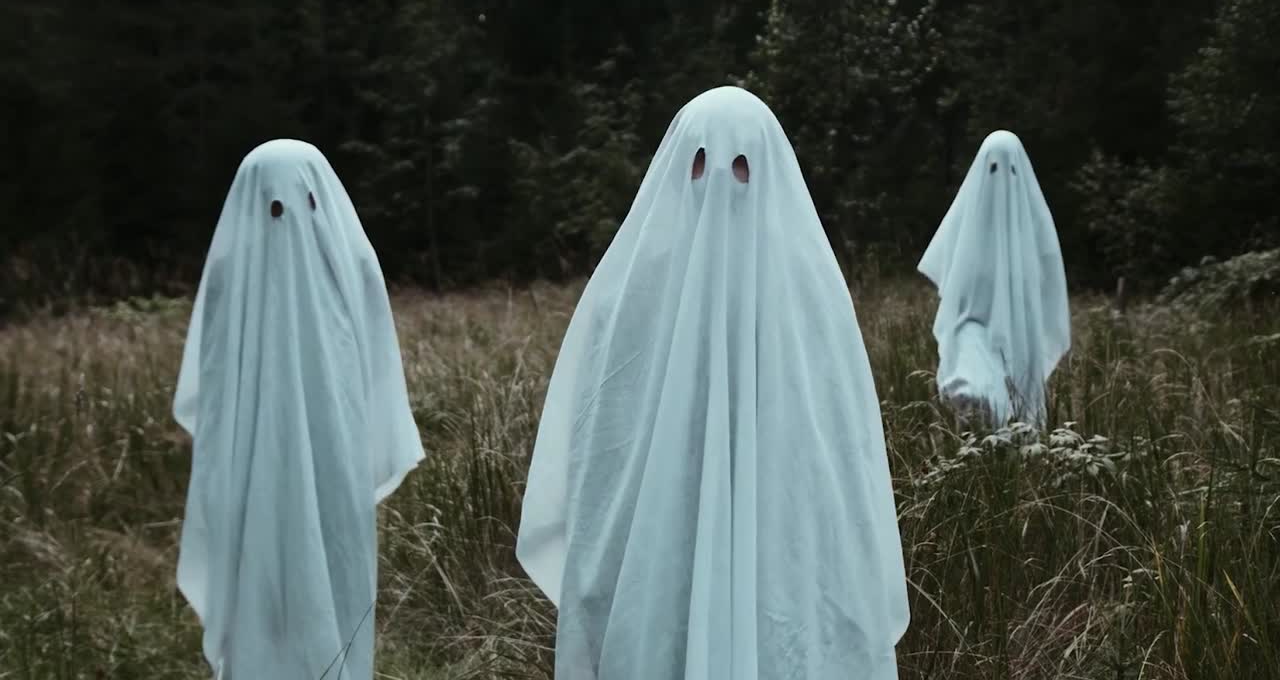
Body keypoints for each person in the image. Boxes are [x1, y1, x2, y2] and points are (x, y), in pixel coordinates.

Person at [517, 87, 909, 679]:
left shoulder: (810, 299)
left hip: (782, 563)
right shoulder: (626, 298)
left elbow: (839, 468)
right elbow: (601, 454)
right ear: (676, 168)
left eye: (742, 167)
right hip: (655, 570)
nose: (720, 181)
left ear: (771, 174)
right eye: (701, 163)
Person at [172, 139, 424, 679]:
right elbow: (215, 386)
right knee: (257, 578)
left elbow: (376, 364)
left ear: (322, 200)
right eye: (272, 208)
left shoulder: (351, 262)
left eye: (299, 204)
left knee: (335, 570)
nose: (284, 221)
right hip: (251, 462)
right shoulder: (231, 271)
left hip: (335, 456)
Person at [918, 130, 1070, 426]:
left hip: (1020, 337)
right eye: (993, 169)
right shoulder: (967, 226)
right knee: (976, 396)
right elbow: (951, 284)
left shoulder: (1036, 233)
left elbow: (1049, 293)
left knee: (1017, 418)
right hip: (972, 332)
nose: (1001, 182)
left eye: (1010, 170)